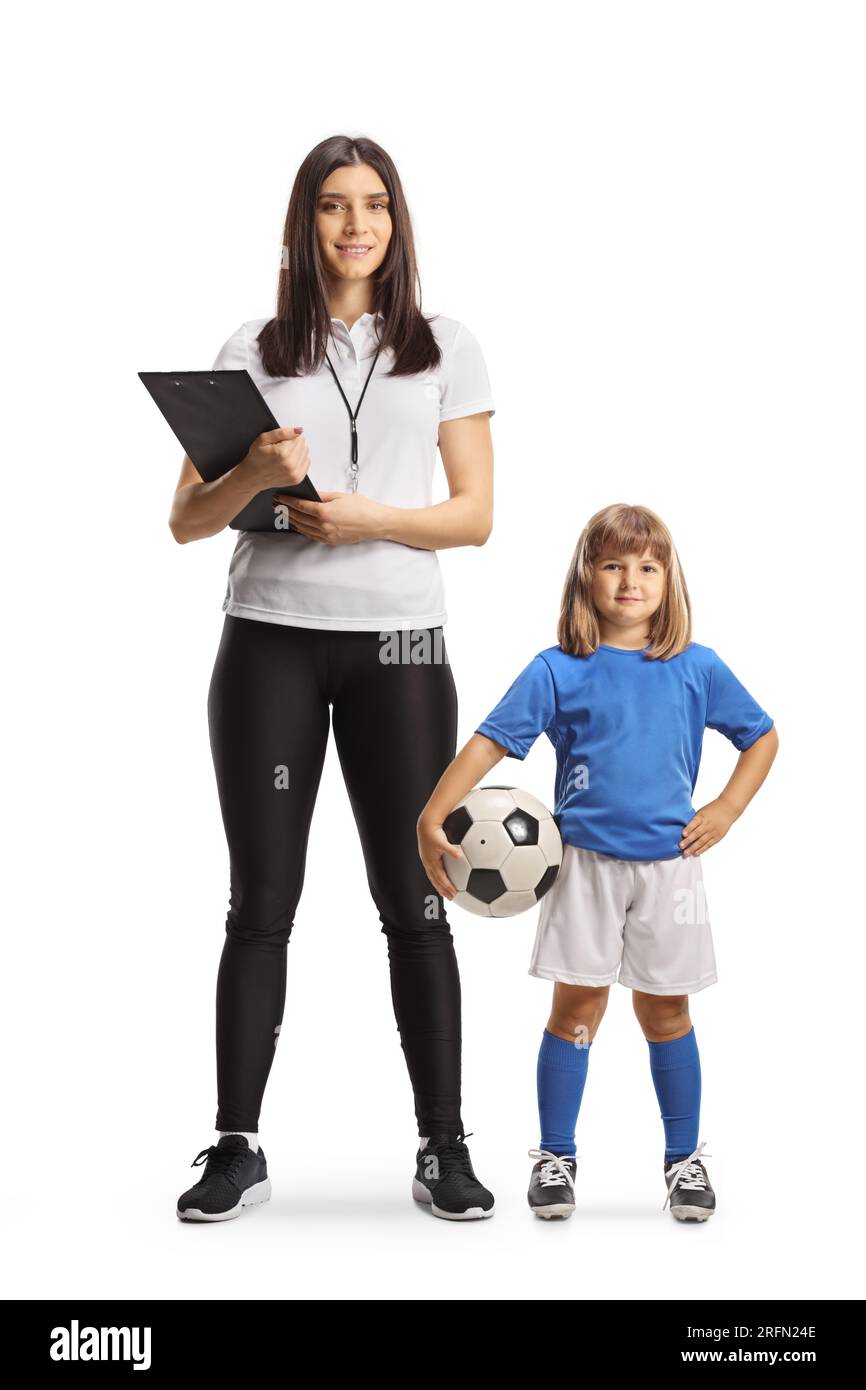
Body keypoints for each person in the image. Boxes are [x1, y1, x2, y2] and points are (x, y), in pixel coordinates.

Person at [169, 134, 497, 1222]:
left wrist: (369, 520)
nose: (354, 225)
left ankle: (443, 1145)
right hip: (267, 636)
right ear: (301, 225)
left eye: (372, 206)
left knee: (415, 897)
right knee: (259, 904)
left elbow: (474, 515)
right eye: (330, 207)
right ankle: (234, 1144)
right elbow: (184, 520)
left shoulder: (443, 346)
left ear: (396, 223)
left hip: (401, 644)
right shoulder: (250, 346)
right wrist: (256, 470)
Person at [417, 502, 778, 1221]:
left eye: (647, 566)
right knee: (577, 1010)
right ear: (587, 576)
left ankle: (685, 1161)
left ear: (669, 580)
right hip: (581, 868)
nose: (630, 580)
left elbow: (761, 736)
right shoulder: (559, 670)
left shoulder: (696, 668)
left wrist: (727, 809)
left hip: (669, 869)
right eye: (613, 564)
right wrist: (434, 810)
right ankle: (556, 1156)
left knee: (667, 1012)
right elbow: (491, 742)